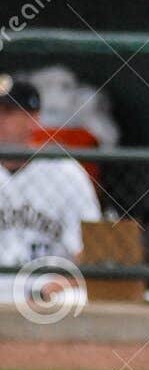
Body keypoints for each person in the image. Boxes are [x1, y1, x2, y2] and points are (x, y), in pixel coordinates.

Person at [0, 74, 99, 311]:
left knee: (75, 301)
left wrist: (59, 286)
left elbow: (92, 253)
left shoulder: (65, 172)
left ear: (34, 119)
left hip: (46, 295)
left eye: (7, 113)